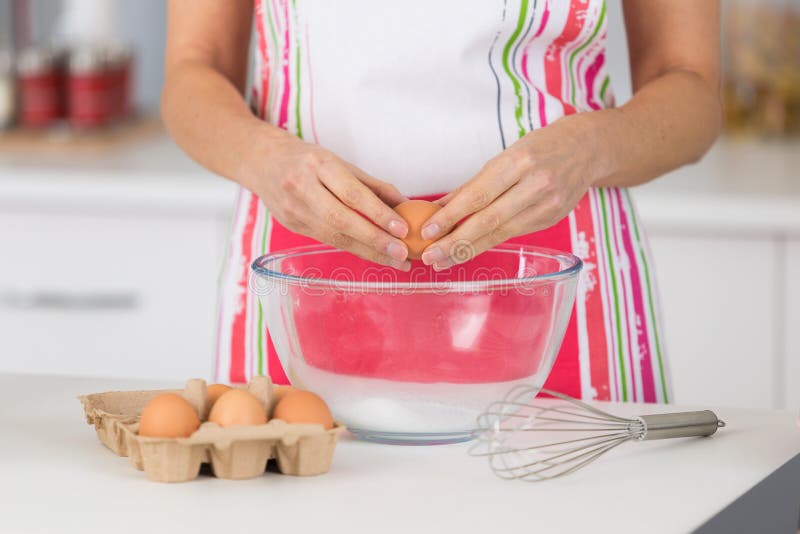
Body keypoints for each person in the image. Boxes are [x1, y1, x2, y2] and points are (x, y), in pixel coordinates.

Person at [162, 0, 720, 403]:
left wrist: (591, 147)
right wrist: (263, 157)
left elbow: (692, 88)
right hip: (303, 273)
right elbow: (193, 68)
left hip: (558, 283)